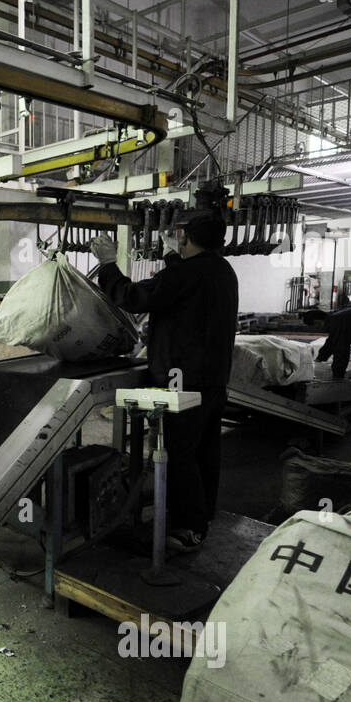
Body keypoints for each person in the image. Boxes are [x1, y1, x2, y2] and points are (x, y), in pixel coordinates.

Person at [91, 212, 237, 553]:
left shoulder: (187, 273)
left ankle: (189, 527)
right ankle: (202, 515)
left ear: (185, 237)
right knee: (205, 450)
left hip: (182, 377)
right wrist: (172, 256)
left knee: (179, 453)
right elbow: (179, 285)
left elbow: (134, 297)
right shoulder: (222, 271)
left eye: (179, 236)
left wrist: (108, 265)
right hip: (213, 379)